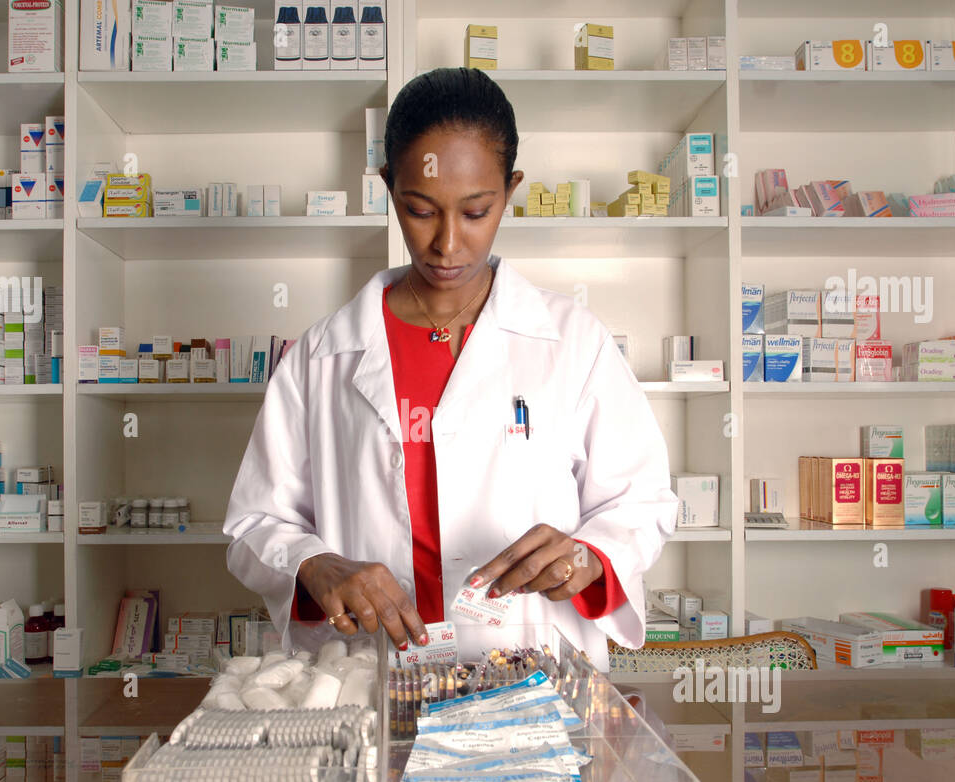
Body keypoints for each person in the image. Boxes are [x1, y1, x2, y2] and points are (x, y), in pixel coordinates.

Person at [224, 67, 677, 669]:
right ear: (389, 188)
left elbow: (641, 502)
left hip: (530, 670)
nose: (447, 243)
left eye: (475, 211)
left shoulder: (573, 343)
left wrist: (587, 557)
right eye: (419, 209)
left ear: (510, 190)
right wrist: (313, 564)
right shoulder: (321, 356)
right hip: (374, 675)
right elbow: (256, 521)